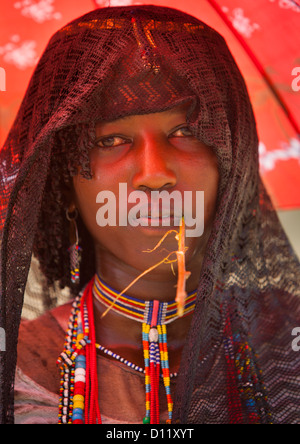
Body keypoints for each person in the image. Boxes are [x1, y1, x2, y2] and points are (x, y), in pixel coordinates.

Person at [0, 5, 300, 425]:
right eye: (112, 139)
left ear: (230, 167)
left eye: (186, 132)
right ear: (65, 187)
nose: (155, 175)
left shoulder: (288, 344)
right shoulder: (16, 368)